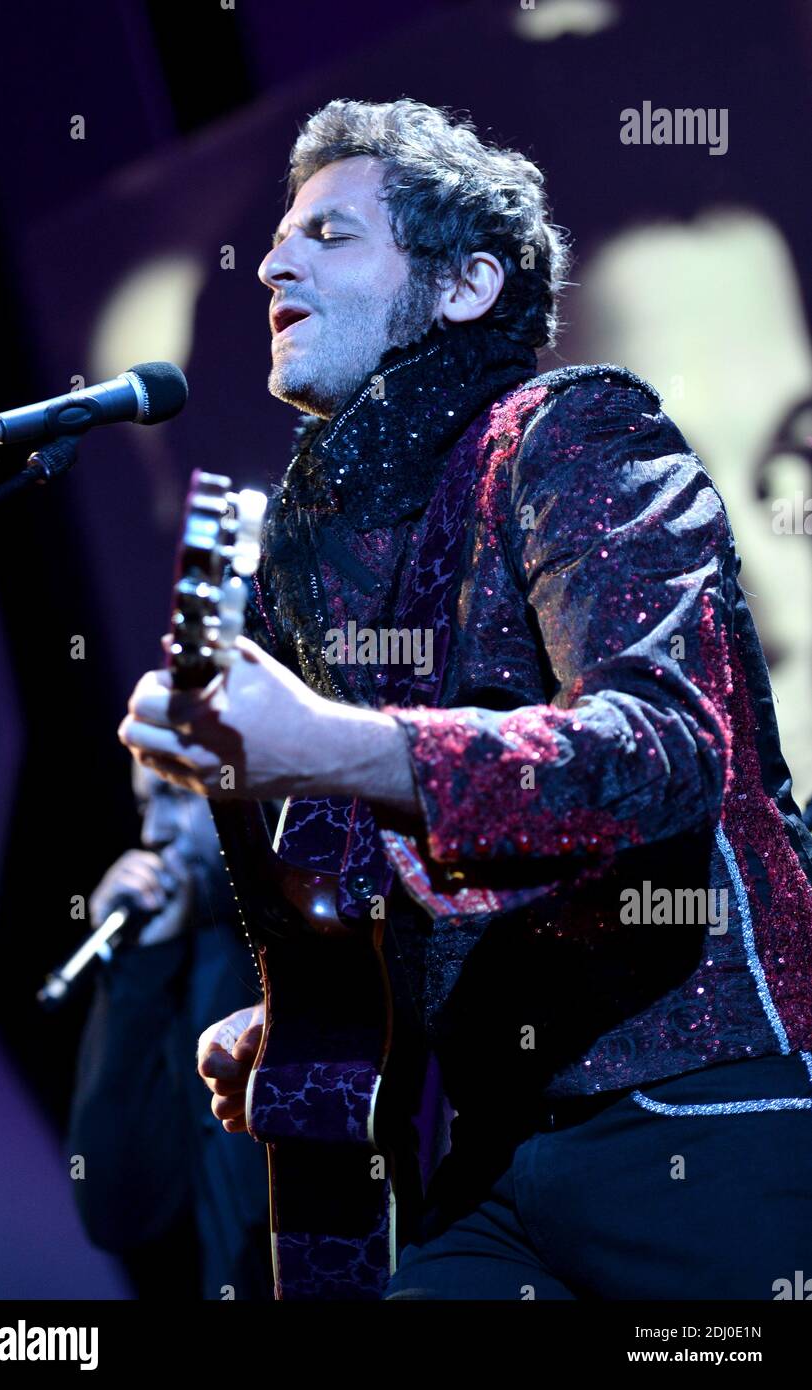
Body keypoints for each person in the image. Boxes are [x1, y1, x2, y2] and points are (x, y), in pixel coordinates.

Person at [118, 98, 812, 1300]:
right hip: (491, 1157)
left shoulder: (572, 433)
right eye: (280, 238)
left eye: (332, 236)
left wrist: (328, 743)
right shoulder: (313, 555)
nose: (274, 262)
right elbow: (415, 868)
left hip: (706, 1106)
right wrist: (311, 1021)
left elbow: (656, 753)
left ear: (465, 284)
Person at [69, 764, 273, 1300]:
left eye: (173, 794)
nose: (152, 832)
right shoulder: (183, 958)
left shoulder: (351, 930)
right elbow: (119, 1212)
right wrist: (137, 972)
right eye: (143, 806)